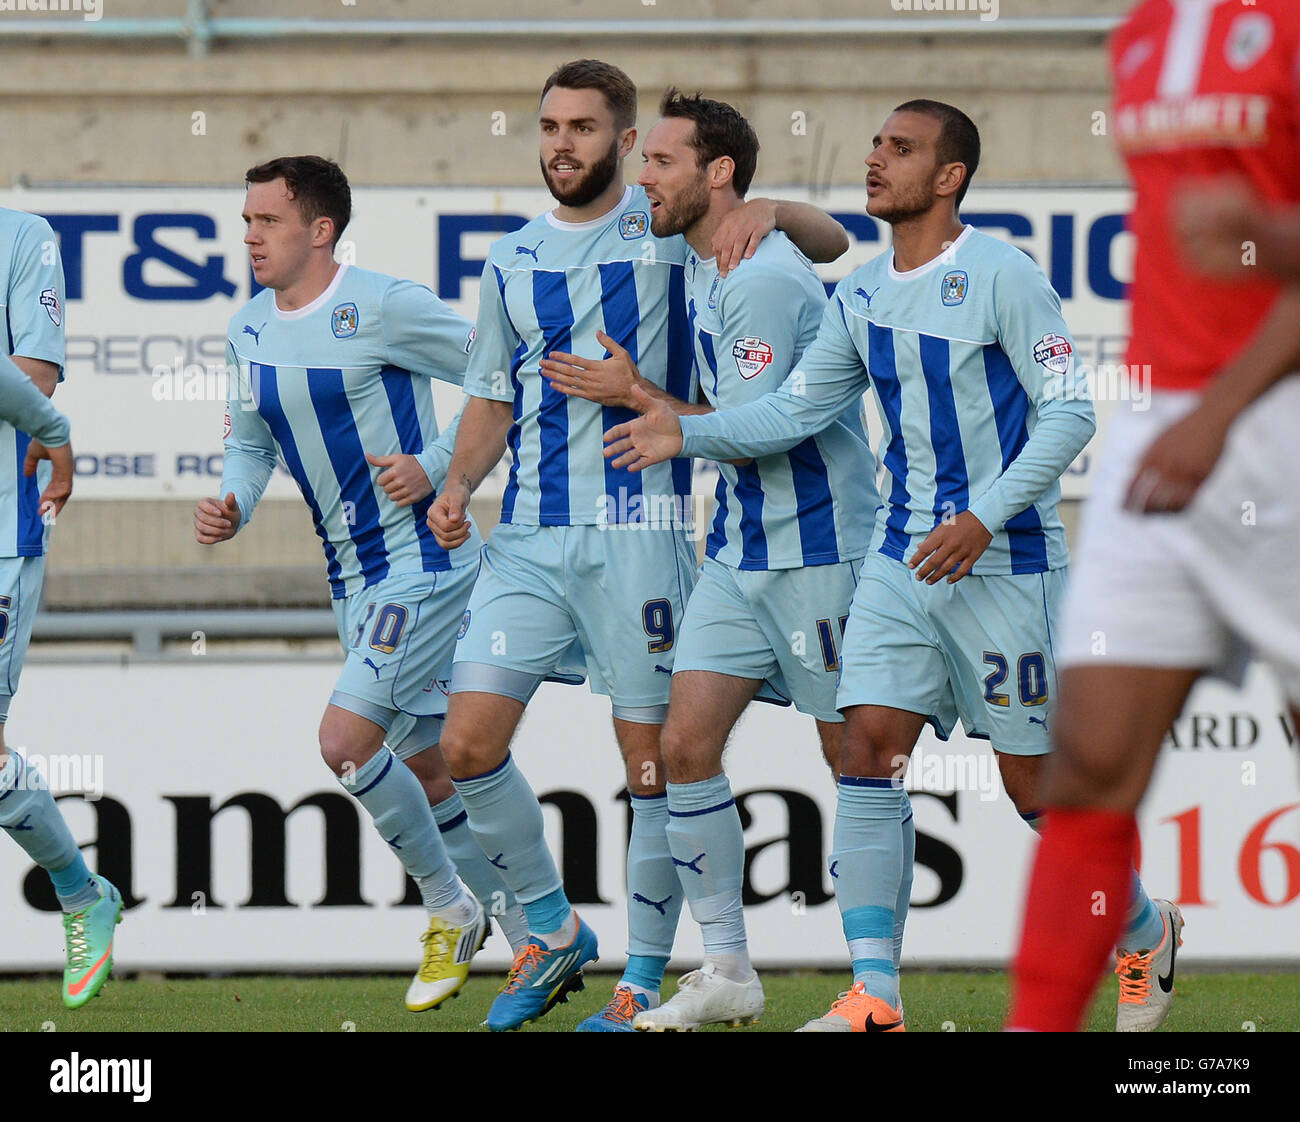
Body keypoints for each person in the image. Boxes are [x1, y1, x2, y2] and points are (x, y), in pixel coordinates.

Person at [607, 99, 1175, 1033]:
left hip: (1005, 565)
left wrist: (985, 518)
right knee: (869, 750)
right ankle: (876, 993)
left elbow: (1071, 413)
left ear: (949, 178)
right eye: (874, 144)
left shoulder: (1003, 274)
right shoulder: (862, 293)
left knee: (1040, 792)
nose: (876, 159)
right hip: (897, 561)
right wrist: (688, 428)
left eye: (900, 150)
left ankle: (1145, 930)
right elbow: (794, 412)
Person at [425, 59, 849, 1032]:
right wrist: (456, 487)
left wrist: (775, 208)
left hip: (643, 537)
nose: (560, 145)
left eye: (582, 128)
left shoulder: (669, 236)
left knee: (652, 761)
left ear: (622, 144)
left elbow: (828, 245)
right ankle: (550, 928)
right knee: (465, 745)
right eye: (547, 127)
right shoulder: (512, 259)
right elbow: (493, 396)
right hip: (528, 538)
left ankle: (644, 980)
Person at [540, 89, 877, 1031]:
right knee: (683, 749)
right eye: (640, 160)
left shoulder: (763, 277)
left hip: (818, 546)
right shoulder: (702, 257)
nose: (640, 178)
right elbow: (833, 237)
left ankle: (873, 984)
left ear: (716, 172)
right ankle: (726, 967)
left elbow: (763, 429)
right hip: (737, 551)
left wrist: (652, 411)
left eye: (659, 163)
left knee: (853, 757)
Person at [1008, 0, 1300, 1032]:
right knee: (1087, 760)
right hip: (1165, 427)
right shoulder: (1140, 33)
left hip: (1273, 418)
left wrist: (1266, 242)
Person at [194, 155, 530, 1013]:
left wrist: (431, 465)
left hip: (422, 561)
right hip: (350, 577)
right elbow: (250, 440)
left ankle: (451, 910)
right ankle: (538, 939)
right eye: (246, 220)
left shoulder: (382, 304)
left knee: (344, 741)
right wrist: (233, 498)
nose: (249, 236)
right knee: (433, 766)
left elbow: (499, 377)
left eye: (267, 221)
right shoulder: (248, 329)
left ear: (320, 229)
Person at [0, 209, 123, 1010]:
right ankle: (83, 894)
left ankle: (80, 893)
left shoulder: (22, 236)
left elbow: (33, 374)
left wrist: (52, 427)